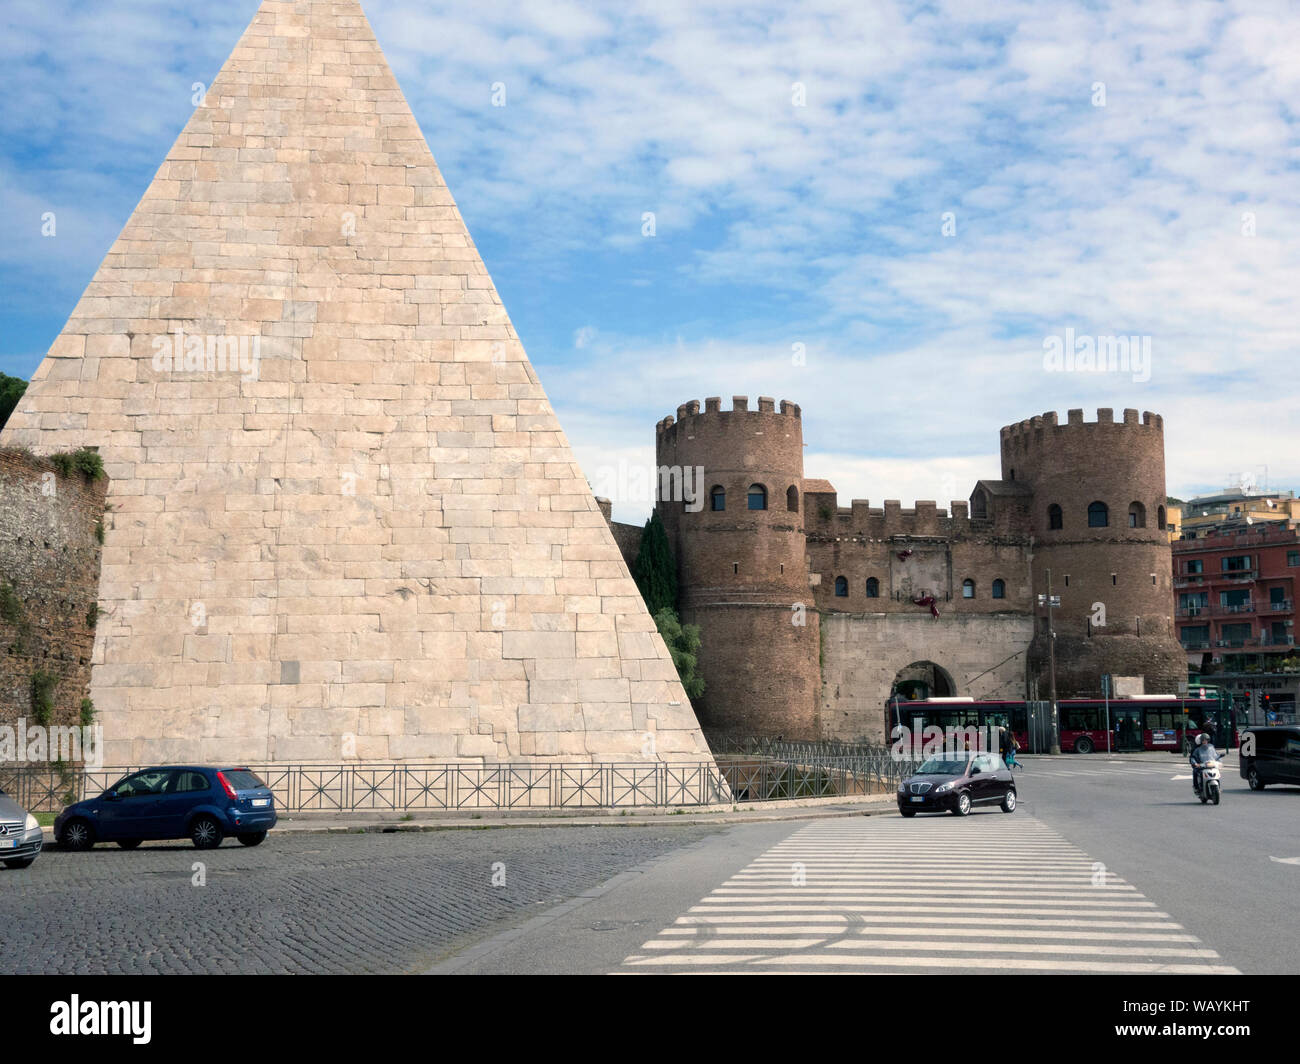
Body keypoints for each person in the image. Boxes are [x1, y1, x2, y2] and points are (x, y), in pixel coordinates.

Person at [1189, 732, 1219, 797]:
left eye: (1206, 740)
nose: (1205, 741)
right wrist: (1195, 763)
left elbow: (1215, 755)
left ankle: (1218, 788)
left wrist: (1218, 759)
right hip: (1201, 765)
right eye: (1203, 740)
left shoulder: (1210, 747)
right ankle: (1197, 787)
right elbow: (1193, 757)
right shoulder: (1197, 749)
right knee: (1195, 771)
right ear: (1201, 741)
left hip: (1209, 764)